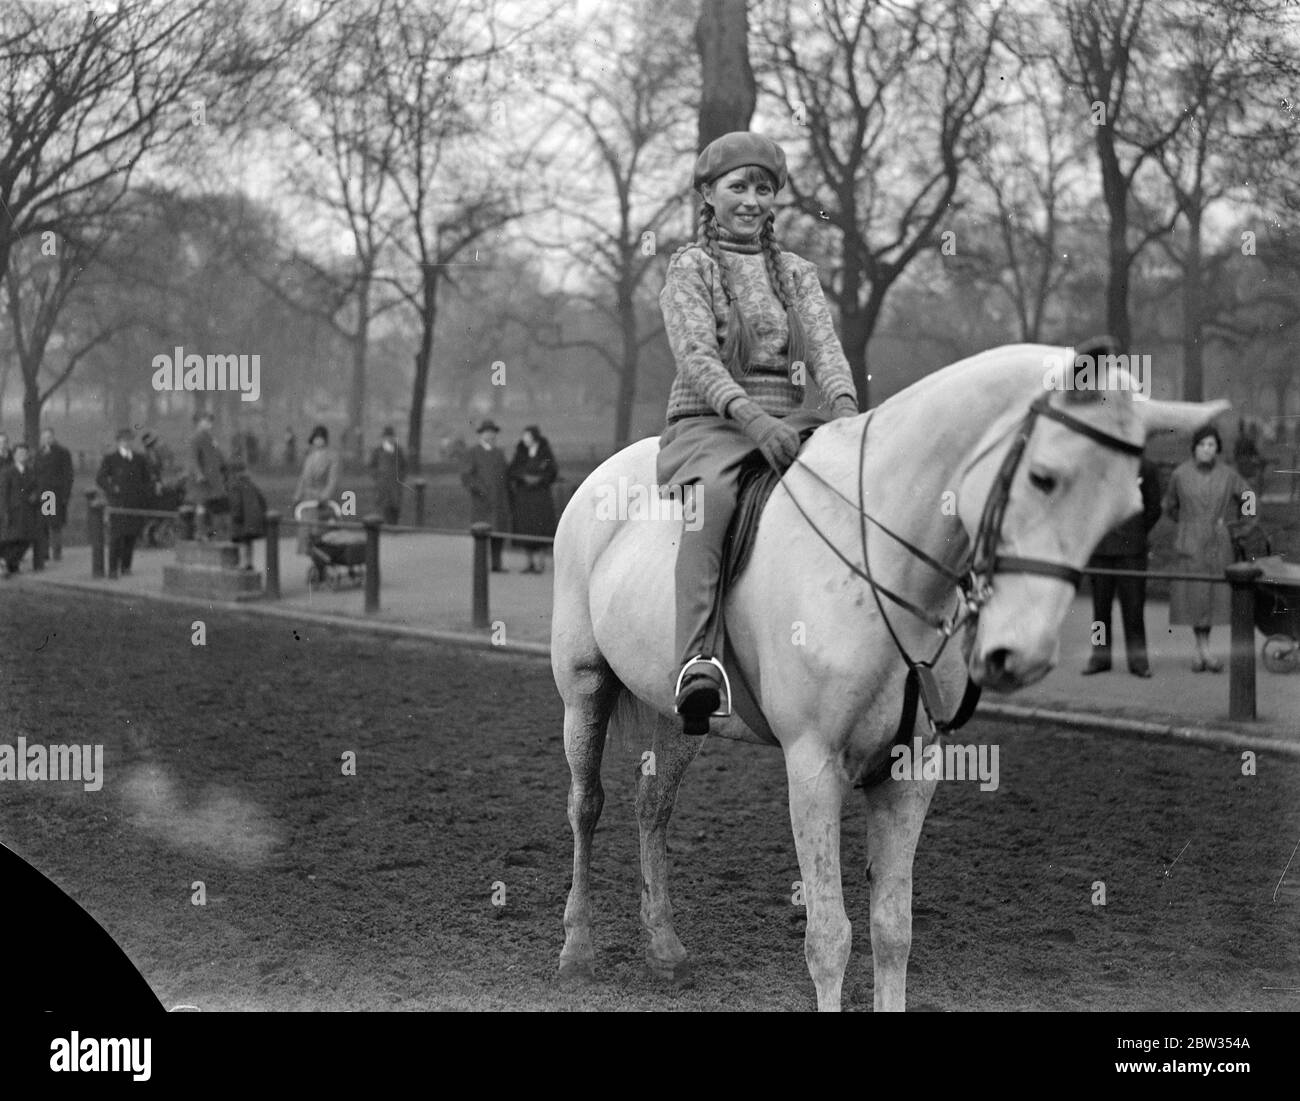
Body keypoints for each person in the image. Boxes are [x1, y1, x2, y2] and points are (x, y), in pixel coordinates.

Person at [657, 131, 859, 732]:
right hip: (709, 425)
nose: (751, 199)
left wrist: (846, 411)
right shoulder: (689, 266)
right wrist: (751, 417)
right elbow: (696, 356)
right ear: (708, 193)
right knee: (713, 503)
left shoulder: (797, 273)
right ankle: (697, 661)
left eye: (762, 189)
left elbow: (825, 349)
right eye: (737, 186)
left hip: (791, 420)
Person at [1163, 423, 1254, 672]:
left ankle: (1202, 651)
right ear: (1194, 448)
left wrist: (1239, 529)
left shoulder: (1228, 474)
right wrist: (1186, 525)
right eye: (1202, 445)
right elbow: (1170, 506)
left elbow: (1249, 498)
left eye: (1211, 445)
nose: (1206, 449)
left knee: (1211, 598)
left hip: (1217, 542)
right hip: (1190, 542)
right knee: (1195, 597)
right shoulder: (1180, 474)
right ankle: (1202, 651)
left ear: (1217, 448)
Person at [1083, 454, 1162, 677]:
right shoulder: (1096, 464)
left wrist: (1135, 534)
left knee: (1134, 610)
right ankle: (1099, 658)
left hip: (1132, 552)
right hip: (1101, 550)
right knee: (1099, 612)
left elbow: (1154, 508)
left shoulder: (1145, 467)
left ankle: (1138, 662)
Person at [96, 428, 152, 579]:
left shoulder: (139, 459)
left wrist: (142, 493)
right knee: (116, 537)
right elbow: (100, 479)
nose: (127, 443)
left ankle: (126, 566)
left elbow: (147, 479)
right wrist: (112, 489)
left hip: (134, 503)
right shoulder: (111, 459)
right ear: (119, 441)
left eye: (129, 440)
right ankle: (113, 569)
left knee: (131, 536)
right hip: (118, 504)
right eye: (123, 440)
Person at [508, 425, 558, 573]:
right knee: (525, 528)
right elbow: (512, 470)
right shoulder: (520, 452)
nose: (524, 439)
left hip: (540, 495)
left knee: (540, 528)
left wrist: (539, 479)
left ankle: (541, 562)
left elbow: (552, 471)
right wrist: (523, 477)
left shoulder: (545, 452)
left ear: (534, 437)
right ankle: (529, 562)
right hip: (524, 496)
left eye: (527, 436)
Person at [462, 419, 510, 572]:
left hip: (499, 500)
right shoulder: (473, 452)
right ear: (481, 435)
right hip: (481, 501)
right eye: (486, 432)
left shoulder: (499, 453)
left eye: (492, 432)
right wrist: (480, 489)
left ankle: (497, 564)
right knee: (482, 533)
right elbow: (467, 477)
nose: (490, 435)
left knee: (498, 532)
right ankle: (481, 565)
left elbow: (506, 475)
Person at [292, 424, 341, 556]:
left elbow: (332, 480)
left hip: (322, 501)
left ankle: (323, 559)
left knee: (321, 533)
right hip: (308, 501)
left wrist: (324, 497)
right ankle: (312, 557)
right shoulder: (310, 457)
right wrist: (297, 497)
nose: (318, 441)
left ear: (325, 439)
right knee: (307, 533)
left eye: (321, 438)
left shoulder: (332, 457)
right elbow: (303, 478)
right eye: (316, 438)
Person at [0, 442, 41, 576]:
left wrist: (35, 496)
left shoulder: (31, 471)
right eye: (19, 453)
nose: (22, 456)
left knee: (26, 539)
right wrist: (5, 511)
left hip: (28, 510)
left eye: (24, 453)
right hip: (13, 510)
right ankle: (10, 565)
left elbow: (37, 487)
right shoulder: (8, 472)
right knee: (11, 540)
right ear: (14, 455)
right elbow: (4, 493)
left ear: (28, 455)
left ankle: (8, 563)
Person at [35, 426, 74, 563]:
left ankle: (56, 552)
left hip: (53, 494)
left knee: (54, 524)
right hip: (41, 493)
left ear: (53, 438)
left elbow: (68, 475)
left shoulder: (62, 453)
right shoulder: (38, 453)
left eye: (49, 437)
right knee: (42, 524)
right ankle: (44, 552)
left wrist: (65, 495)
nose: (46, 440)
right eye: (44, 438)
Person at [188, 411, 229, 540]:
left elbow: (218, 456)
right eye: (206, 421)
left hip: (214, 478)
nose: (209, 424)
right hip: (203, 480)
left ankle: (212, 532)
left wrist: (224, 466)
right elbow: (193, 459)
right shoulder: (196, 438)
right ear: (198, 423)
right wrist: (199, 474)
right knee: (202, 505)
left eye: (210, 421)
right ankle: (201, 532)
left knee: (213, 505)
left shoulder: (210, 437)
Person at [228, 459, 268, 570]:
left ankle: (242, 563)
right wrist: (262, 512)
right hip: (252, 519)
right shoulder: (250, 484)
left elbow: (236, 502)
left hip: (242, 519)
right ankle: (249, 562)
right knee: (248, 542)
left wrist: (236, 515)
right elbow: (262, 500)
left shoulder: (235, 485)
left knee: (241, 541)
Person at [369, 426, 407, 526]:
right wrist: (377, 477)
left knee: (395, 506)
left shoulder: (399, 450)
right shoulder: (378, 451)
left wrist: (401, 477)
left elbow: (404, 465)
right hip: (383, 483)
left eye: (391, 437)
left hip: (396, 483)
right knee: (384, 505)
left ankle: (394, 525)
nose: (389, 439)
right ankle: (387, 526)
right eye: (387, 437)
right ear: (383, 438)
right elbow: (372, 466)